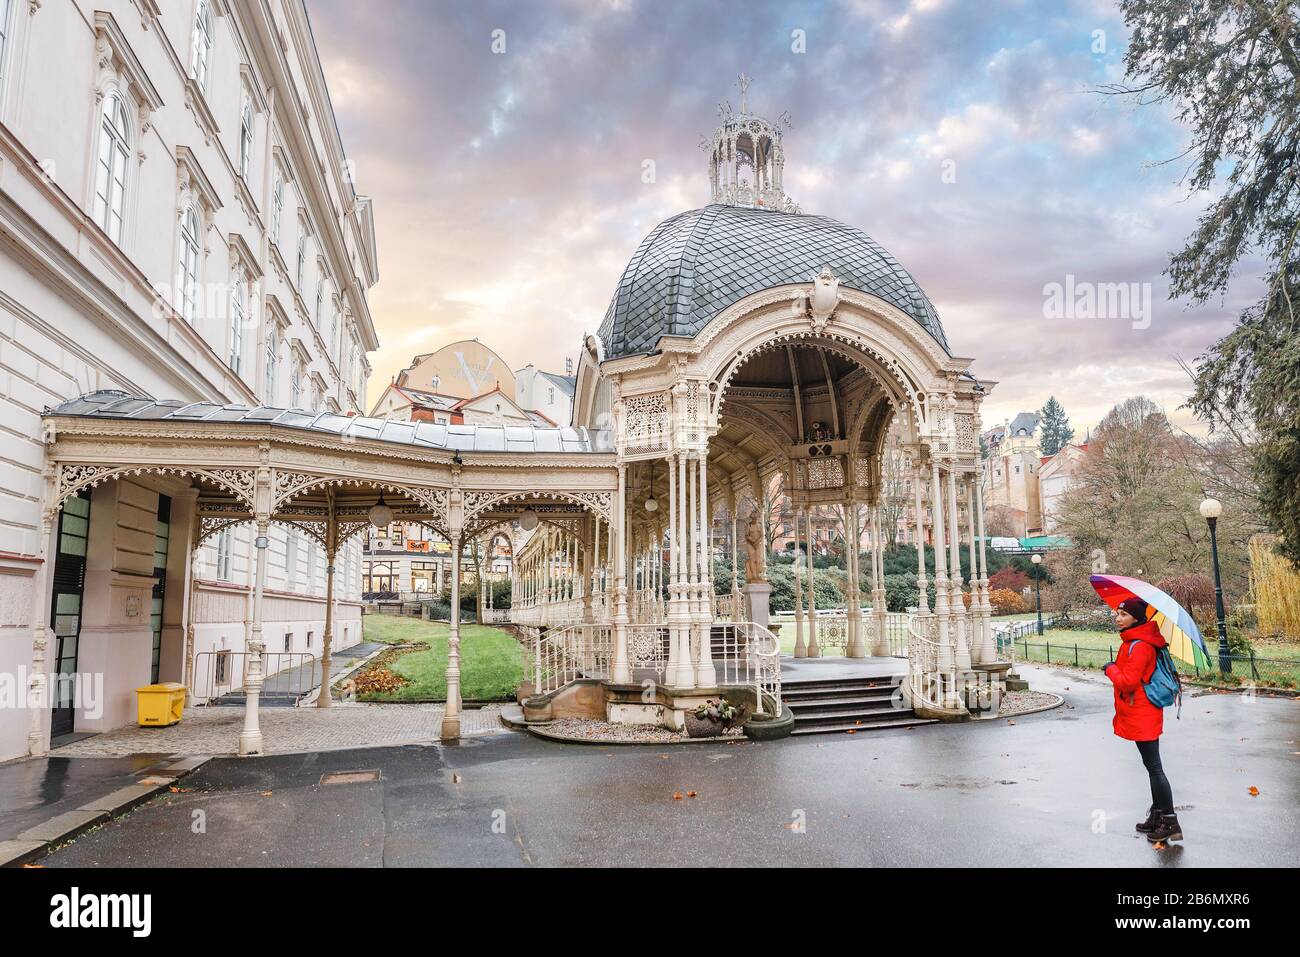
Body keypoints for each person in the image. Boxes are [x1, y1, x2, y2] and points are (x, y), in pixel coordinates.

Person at [1102, 596, 1182, 843]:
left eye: (1123, 615)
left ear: (1136, 618)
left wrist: (1109, 668)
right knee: (1151, 767)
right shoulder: (1133, 641)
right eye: (1116, 614)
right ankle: (1158, 815)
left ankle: (1170, 821)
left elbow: (1128, 681)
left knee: (1155, 768)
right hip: (1139, 711)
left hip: (1143, 713)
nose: (1118, 618)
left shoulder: (1141, 645)